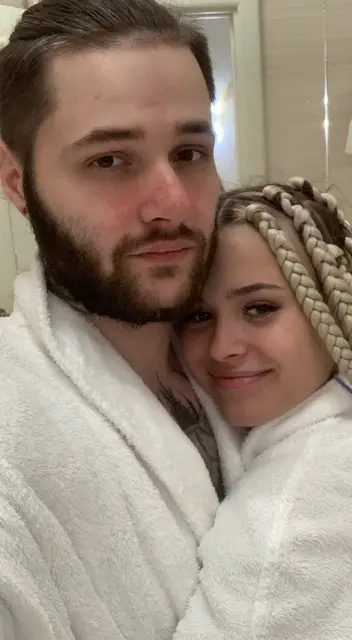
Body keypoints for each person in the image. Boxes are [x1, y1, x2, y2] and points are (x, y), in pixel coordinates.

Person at [0, 0, 223, 637]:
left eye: (190, 153)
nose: (172, 203)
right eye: (109, 160)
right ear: (16, 181)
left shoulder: (247, 362)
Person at [175, 177, 352, 638]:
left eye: (260, 308)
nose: (222, 348)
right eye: (198, 316)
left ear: (334, 311)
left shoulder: (292, 526)